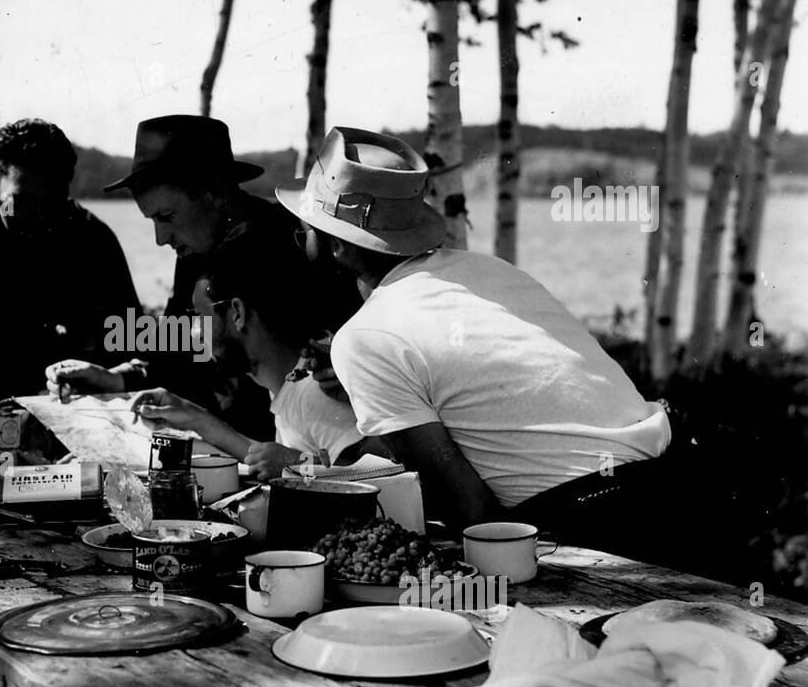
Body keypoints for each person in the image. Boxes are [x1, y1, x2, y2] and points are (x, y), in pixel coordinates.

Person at [278, 126, 691, 560]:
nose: (298, 243)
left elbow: (475, 517)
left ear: (339, 248)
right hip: (676, 476)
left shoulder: (364, 339)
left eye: (303, 232)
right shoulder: (489, 270)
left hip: (596, 528)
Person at [47, 115, 363, 440]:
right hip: (232, 448)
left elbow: (362, 341)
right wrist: (119, 378)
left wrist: (345, 361)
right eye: (152, 220)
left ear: (213, 192)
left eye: (166, 216)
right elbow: (179, 345)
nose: (160, 238)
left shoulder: (300, 242)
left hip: (310, 448)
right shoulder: (193, 251)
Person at [128, 222, 387, 480]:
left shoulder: (313, 392)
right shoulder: (290, 384)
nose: (196, 333)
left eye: (200, 316)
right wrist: (194, 417)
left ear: (238, 313)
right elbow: (267, 458)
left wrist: (296, 466)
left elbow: (378, 475)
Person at [0, 119, 142, 401]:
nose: (36, 219)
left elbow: (135, 344)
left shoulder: (91, 239)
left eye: (52, 204)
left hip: (47, 394)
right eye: (19, 203)